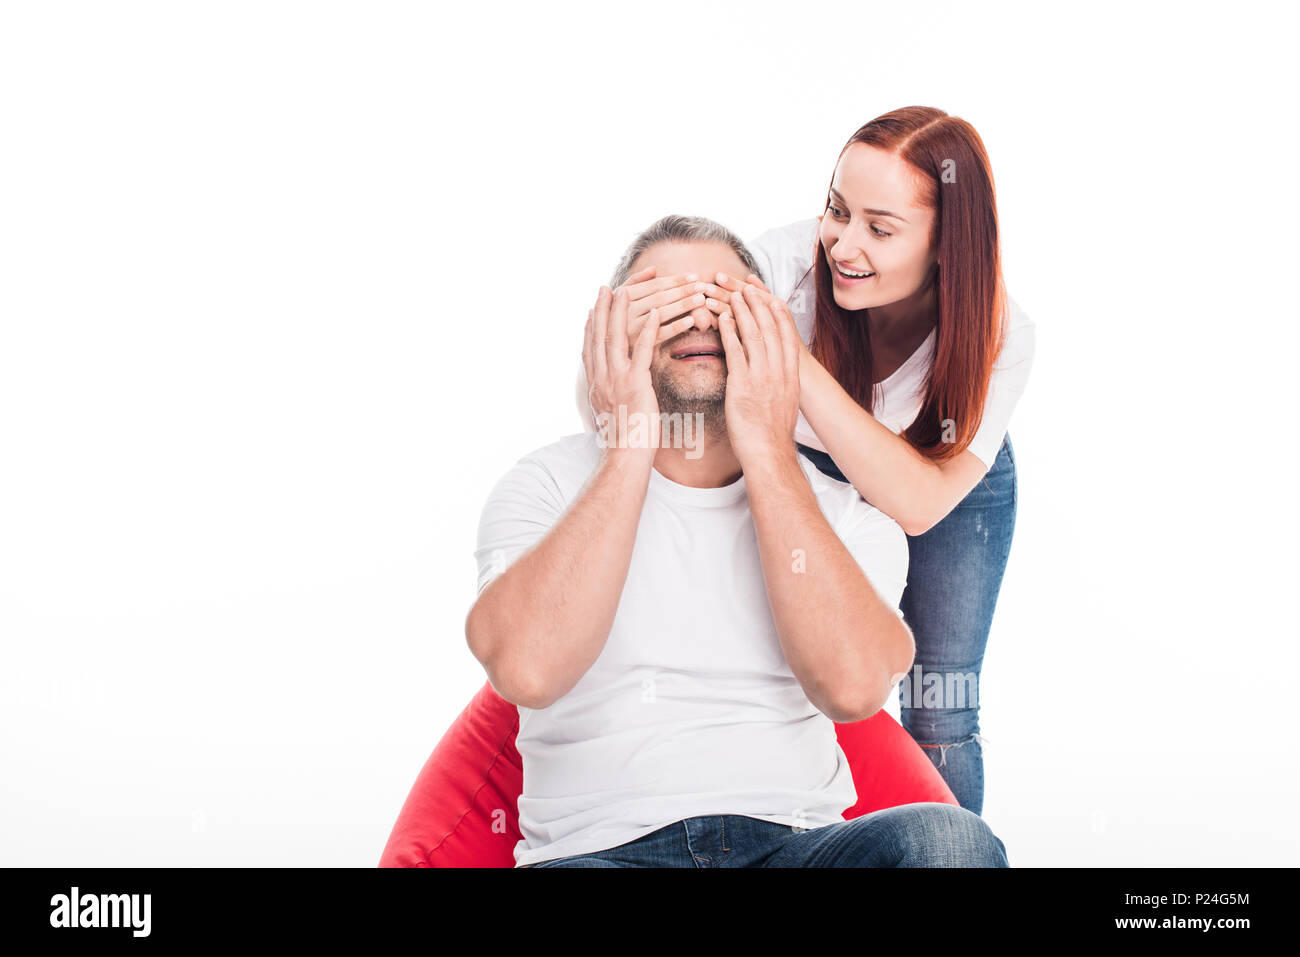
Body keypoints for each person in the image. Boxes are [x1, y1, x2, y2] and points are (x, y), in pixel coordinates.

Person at [472, 214, 1009, 868]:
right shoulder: (543, 486)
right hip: (599, 853)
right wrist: (628, 443)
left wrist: (767, 447)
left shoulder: (846, 515)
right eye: (659, 303)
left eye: (723, 301)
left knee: (954, 842)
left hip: (794, 845)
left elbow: (853, 686)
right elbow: (528, 667)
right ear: (608, 335)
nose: (696, 318)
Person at [574, 107, 1035, 815]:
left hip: (946, 486)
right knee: (792, 680)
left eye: (880, 229)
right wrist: (627, 334)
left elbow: (917, 502)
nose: (844, 245)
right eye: (836, 211)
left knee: (943, 715)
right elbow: (613, 403)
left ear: (947, 244)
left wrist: (794, 364)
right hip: (805, 466)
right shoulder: (777, 271)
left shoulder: (1001, 332)